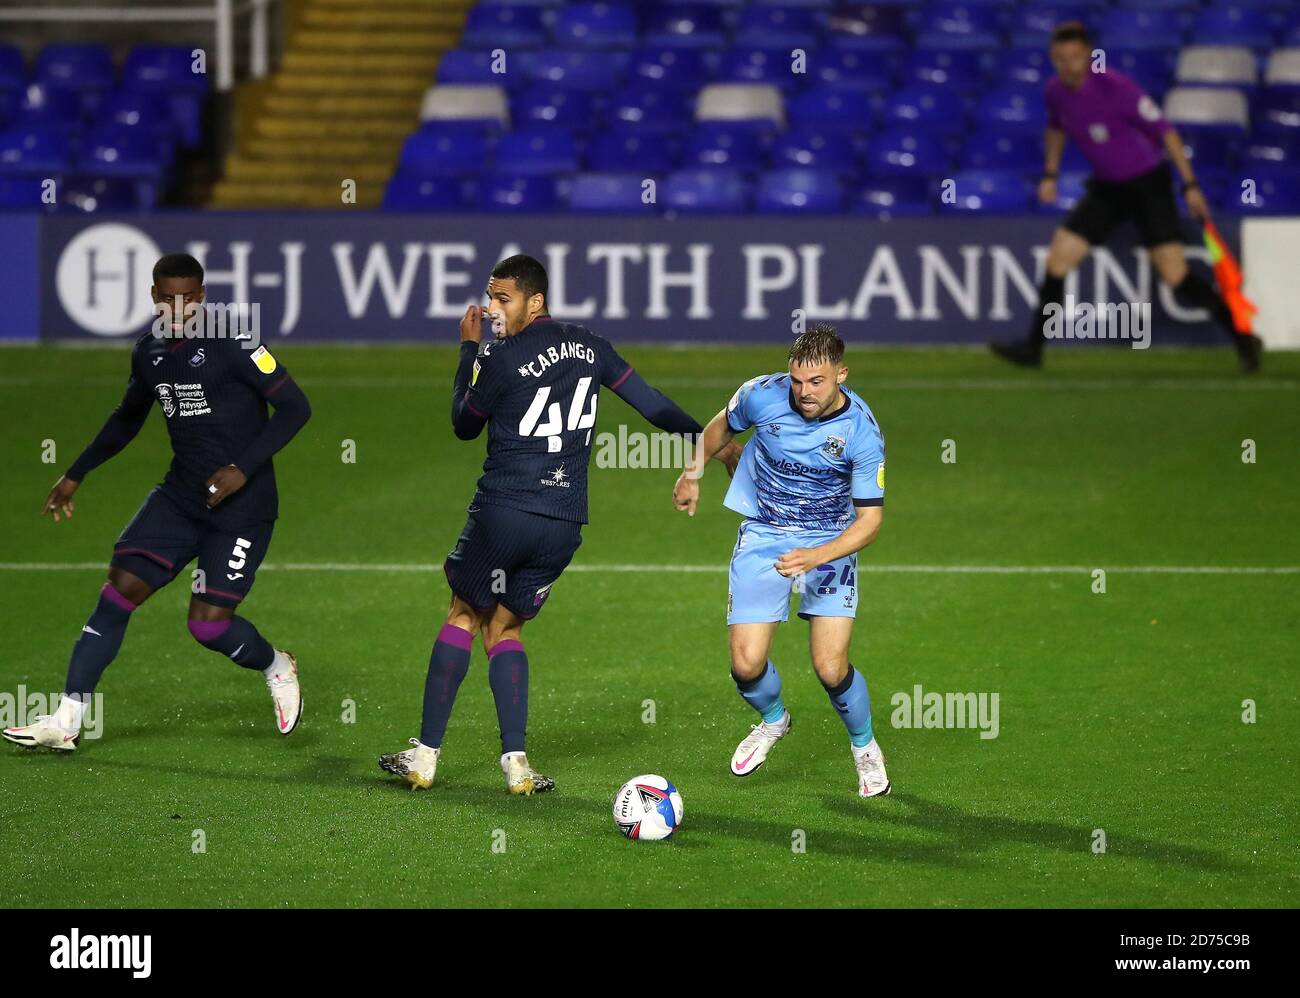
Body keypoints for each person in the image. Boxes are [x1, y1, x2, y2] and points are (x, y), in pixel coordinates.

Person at [378, 254, 741, 795]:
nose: (493, 310)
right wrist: (711, 442)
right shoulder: (591, 347)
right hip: (563, 523)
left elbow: (461, 425)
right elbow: (652, 405)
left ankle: (425, 756)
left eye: (503, 299)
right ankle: (516, 765)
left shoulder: (499, 358)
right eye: (490, 298)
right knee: (506, 626)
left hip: (505, 510)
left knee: (462, 615)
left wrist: (468, 350)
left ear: (535, 301)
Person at [4, 253, 311, 752]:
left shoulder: (235, 343)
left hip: (243, 507)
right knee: (119, 588)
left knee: (206, 626)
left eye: (189, 296)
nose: (179, 306)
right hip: (180, 496)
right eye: (168, 296)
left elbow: (296, 407)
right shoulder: (148, 353)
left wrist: (242, 468)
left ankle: (277, 664)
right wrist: (75, 474)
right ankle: (67, 719)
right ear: (153, 296)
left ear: (203, 296)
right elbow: (126, 419)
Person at [672, 324, 891, 798]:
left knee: (831, 667)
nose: (803, 392)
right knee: (746, 666)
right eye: (797, 380)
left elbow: (869, 523)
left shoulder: (861, 432)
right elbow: (719, 427)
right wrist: (693, 473)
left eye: (816, 382)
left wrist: (816, 556)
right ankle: (774, 721)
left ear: (841, 374)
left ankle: (865, 747)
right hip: (764, 534)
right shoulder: (760, 395)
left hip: (829, 542)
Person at [991, 20, 1263, 371]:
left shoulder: (1116, 88)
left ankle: (1242, 336)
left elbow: (1167, 134)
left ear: (1088, 56)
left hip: (1148, 184)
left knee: (1175, 275)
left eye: (1074, 57)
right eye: (1060, 58)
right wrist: (1050, 173)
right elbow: (1056, 129)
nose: (1068, 65)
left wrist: (1190, 185)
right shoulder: (1054, 92)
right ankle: (1033, 348)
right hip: (1107, 188)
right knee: (1057, 260)